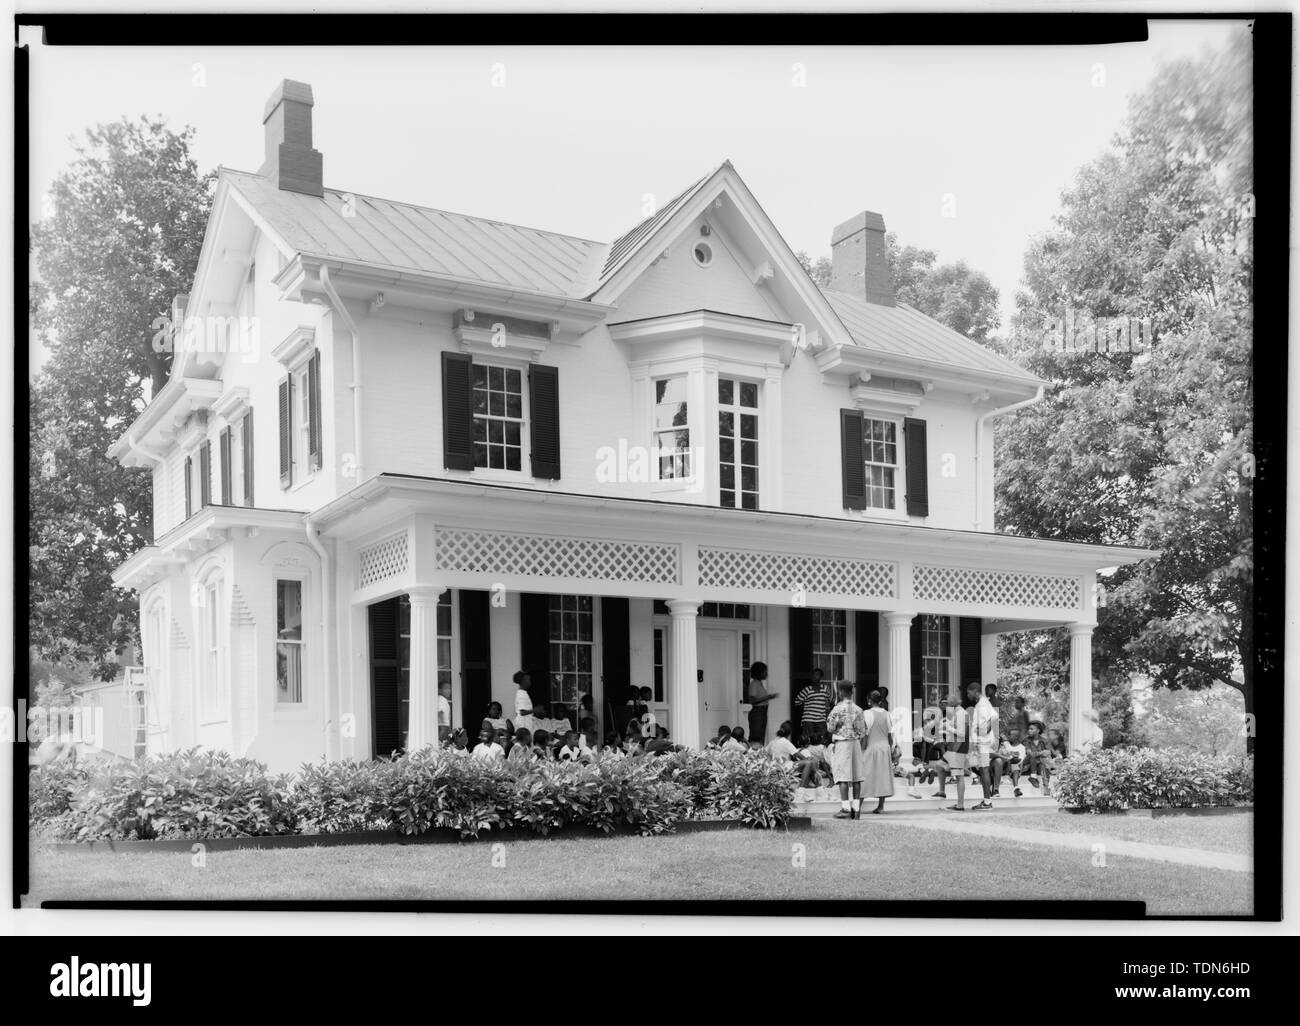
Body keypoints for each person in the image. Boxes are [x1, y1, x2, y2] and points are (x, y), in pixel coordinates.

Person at [826, 680, 868, 819]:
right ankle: (856, 810)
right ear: (852, 692)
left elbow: (830, 728)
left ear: (841, 692)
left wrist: (838, 725)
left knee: (843, 777)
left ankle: (845, 808)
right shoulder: (858, 709)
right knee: (856, 778)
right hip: (855, 743)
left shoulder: (837, 709)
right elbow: (863, 731)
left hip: (842, 743)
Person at [861, 690, 898, 813]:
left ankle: (858, 805)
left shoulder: (867, 713)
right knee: (883, 776)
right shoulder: (887, 714)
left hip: (872, 746)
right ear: (880, 701)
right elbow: (890, 735)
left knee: (865, 775)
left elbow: (865, 733)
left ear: (869, 701)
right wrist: (891, 749)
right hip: (884, 747)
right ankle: (881, 806)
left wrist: (863, 749)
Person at [969, 683, 999, 810]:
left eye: (968, 692)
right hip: (982, 742)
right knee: (981, 769)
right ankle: (987, 801)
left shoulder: (982, 703)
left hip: (983, 742)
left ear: (975, 691)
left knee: (984, 769)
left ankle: (987, 802)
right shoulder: (982, 702)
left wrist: (985, 729)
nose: (968, 695)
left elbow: (995, 717)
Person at [794, 668, 833, 745]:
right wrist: (808, 709)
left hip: (821, 719)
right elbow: (797, 702)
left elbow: (830, 701)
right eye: (813, 675)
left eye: (817, 675)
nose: (814, 676)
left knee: (822, 741)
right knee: (808, 741)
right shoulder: (807, 690)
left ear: (821, 677)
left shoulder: (825, 689)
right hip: (808, 720)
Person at [745, 661, 778, 746]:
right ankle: (753, 755)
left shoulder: (759, 683)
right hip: (757, 712)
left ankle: (759, 755)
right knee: (756, 736)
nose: (766, 673)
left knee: (761, 736)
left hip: (762, 711)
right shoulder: (754, 684)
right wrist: (768, 697)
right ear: (759, 672)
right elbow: (752, 700)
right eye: (764, 671)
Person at [993, 729, 1027, 796]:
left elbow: (1020, 760)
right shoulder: (1006, 744)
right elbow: (1002, 739)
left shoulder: (1021, 747)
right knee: (1011, 762)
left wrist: (1011, 756)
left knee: (1015, 766)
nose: (1008, 736)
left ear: (1016, 737)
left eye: (1010, 735)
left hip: (1012, 767)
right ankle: (1007, 778)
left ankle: (1016, 789)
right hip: (1001, 766)